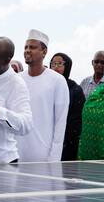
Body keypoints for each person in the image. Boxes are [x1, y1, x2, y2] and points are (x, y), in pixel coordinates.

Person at [18, 30, 69, 163]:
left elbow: (60, 123)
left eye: (33, 47)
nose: (28, 50)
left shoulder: (57, 80)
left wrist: (54, 158)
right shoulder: (17, 79)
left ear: (44, 52)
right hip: (17, 154)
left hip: (43, 155)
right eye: (26, 47)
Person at [50, 52, 86, 160]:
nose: (56, 67)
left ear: (68, 66)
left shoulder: (75, 89)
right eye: (53, 64)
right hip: (46, 136)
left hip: (68, 140)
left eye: (60, 64)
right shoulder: (46, 86)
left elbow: (77, 119)